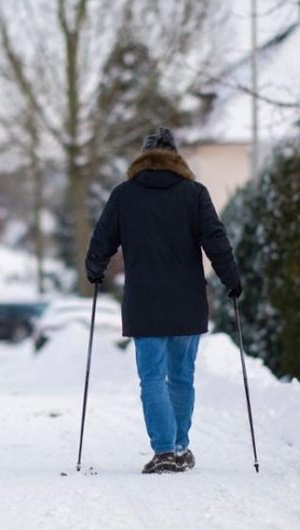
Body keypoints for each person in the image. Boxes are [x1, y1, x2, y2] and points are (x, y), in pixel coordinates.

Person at [85, 127, 242, 474]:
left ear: (142, 159)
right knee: (182, 377)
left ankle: (165, 451)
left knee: (153, 378)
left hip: (144, 301)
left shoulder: (125, 195)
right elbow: (216, 239)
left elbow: (102, 239)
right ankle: (181, 447)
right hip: (187, 300)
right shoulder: (194, 193)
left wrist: (94, 269)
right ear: (176, 158)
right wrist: (231, 279)